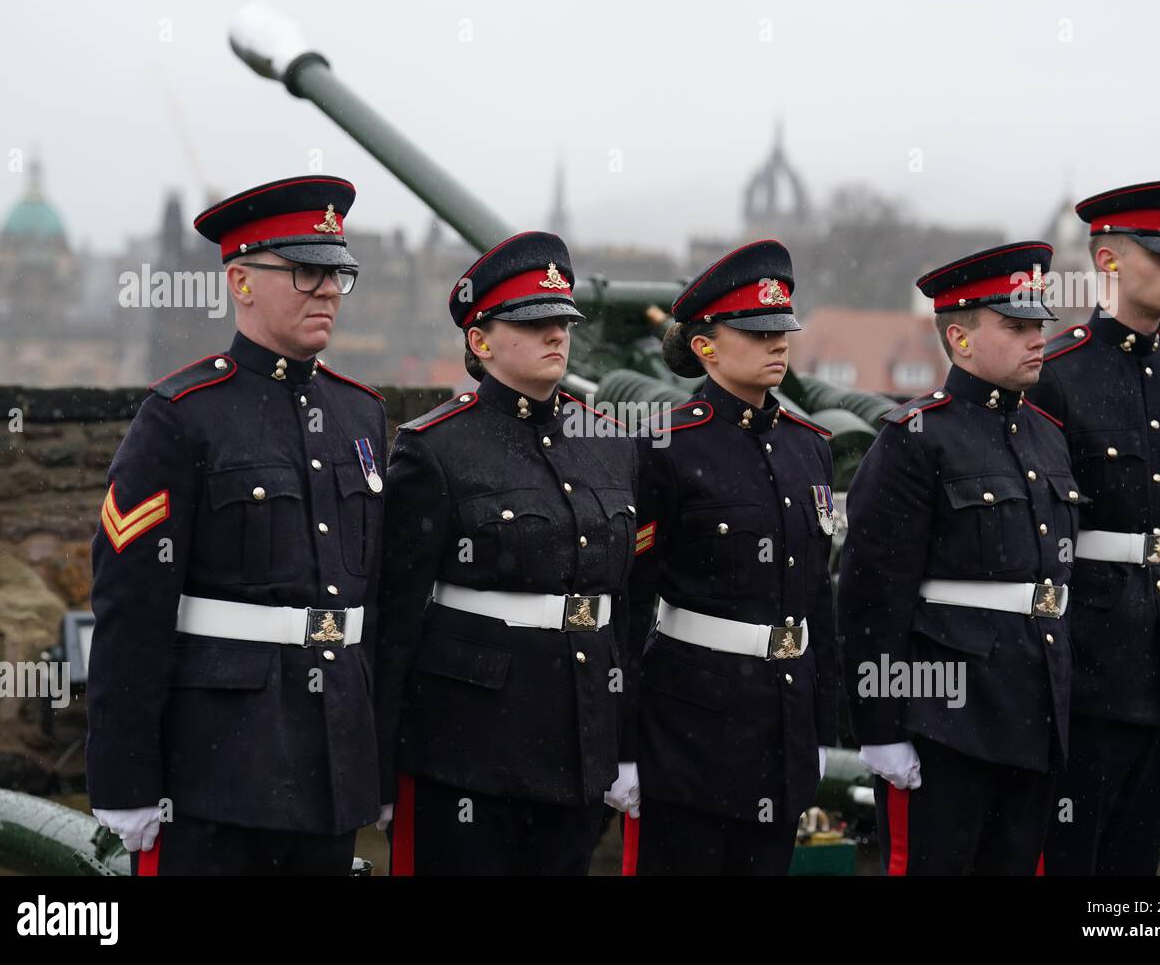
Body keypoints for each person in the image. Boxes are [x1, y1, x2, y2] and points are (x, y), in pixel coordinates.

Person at [87, 175, 386, 874]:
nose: (328, 290)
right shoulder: (182, 415)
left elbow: (377, 605)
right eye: (306, 272)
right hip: (217, 768)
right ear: (242, 281)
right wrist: (126, 780)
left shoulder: (360, 415)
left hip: (332, 762)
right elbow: (132, 609)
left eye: (339, 272)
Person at [373, 231, 638, 875]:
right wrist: (378, 767)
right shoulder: (435, 448)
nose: (556, 334)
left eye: (562, 321)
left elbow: (625, 608)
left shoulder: (607, 441)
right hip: (467, 748)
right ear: (480, 339)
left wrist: (624, 744)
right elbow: (393, 618)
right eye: (533, 321)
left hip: (578, 742)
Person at [839, 241, 1078, 875]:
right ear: (960, 338)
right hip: (946, 716)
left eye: (1039, 327)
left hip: (1033, 707)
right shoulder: (916, 439)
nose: (1037, 340)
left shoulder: (1048, 437)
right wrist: (880, 725)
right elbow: (871, 592)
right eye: (1017, 327)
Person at [622, 240, 840, 875]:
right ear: (705, 346)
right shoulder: (665, 446)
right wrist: (626, 744)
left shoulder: (811, 448)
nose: (779, 343)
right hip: (691, 726)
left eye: (783, 329)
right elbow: (633, 601)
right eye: (757, 331)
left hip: (782, 723)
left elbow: (816, 600)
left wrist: (821, 726)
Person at [1029, 180, 1160, 875]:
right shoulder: (1057, 375)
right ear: (1107, 260)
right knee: (1076, 858)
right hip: (1085, 660)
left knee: (1135, 867)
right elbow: (1038, 536)